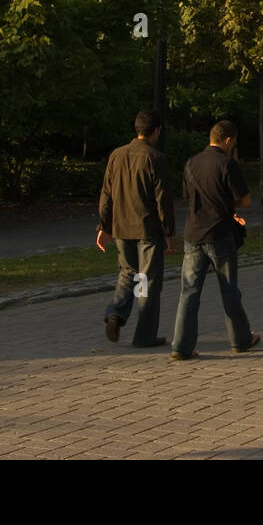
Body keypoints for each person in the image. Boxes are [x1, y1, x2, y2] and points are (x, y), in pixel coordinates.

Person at [170, 120, 260, 361]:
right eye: (235, 142)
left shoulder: (191, 163)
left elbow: (188, 197)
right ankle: (240, 340)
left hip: (193, 233)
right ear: (228, 140)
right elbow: (246, 200)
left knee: (188, 292)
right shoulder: (227, 164)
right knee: (229, 290)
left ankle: (181, 346)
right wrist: (229, 206)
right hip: (219, 233)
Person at [97, 109, 177, 348]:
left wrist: (105, 225)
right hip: (148, 229)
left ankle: (116, 312)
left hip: (122, 227)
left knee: (128, 272)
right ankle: (144, 335)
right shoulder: (156, 158)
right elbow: (163, 199)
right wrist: (169, 233)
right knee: (147, 279)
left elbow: (106, 194)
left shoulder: (117, 155)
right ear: (156, 131)